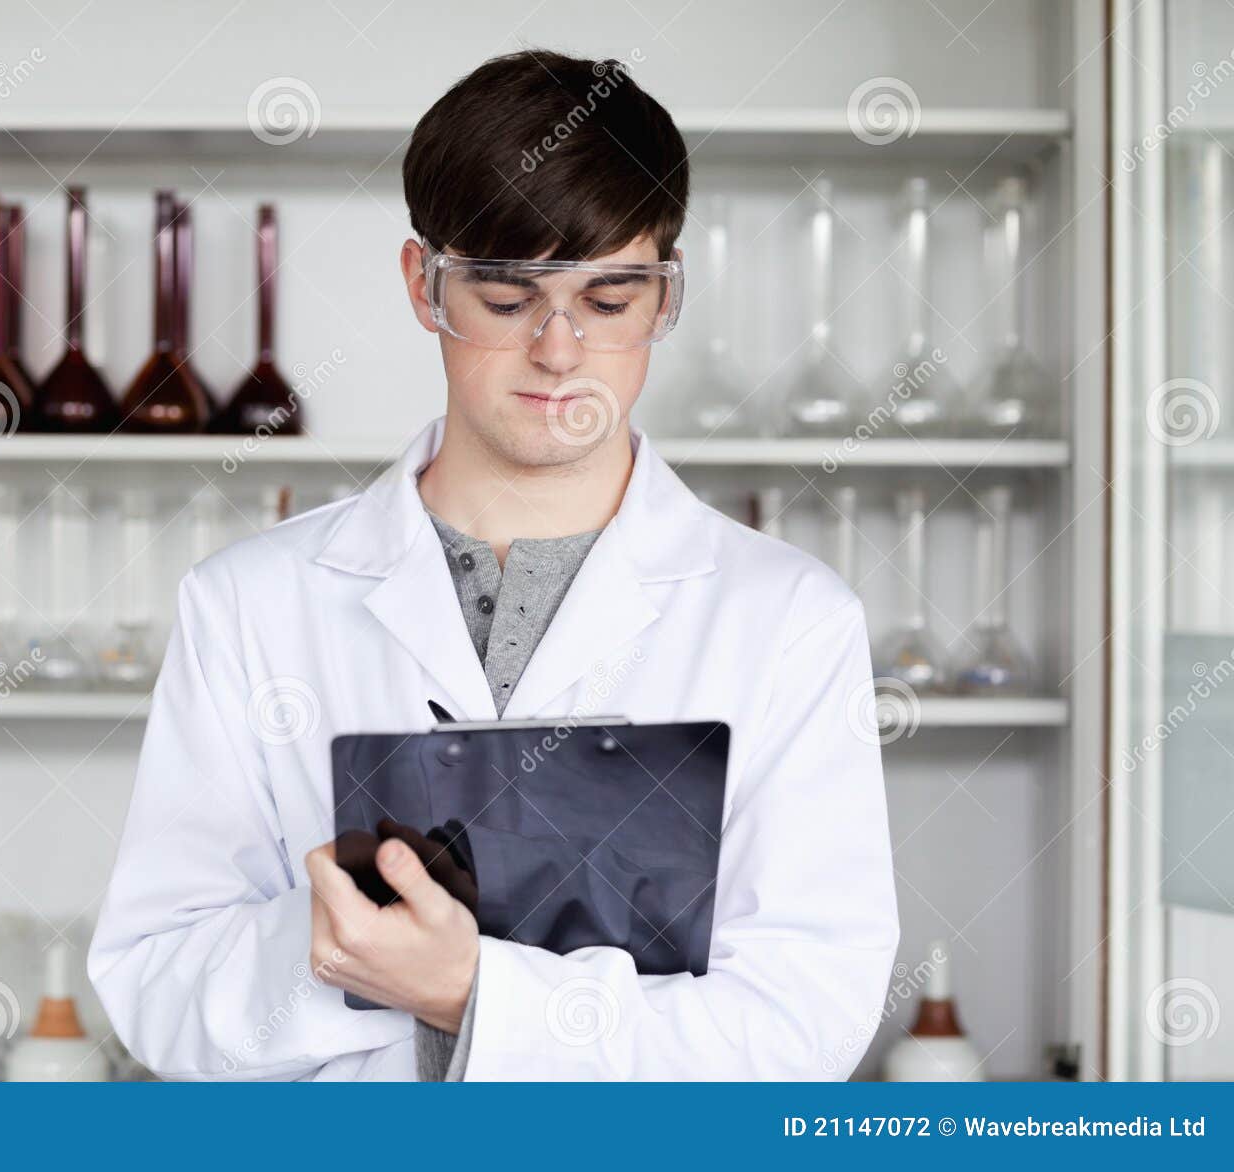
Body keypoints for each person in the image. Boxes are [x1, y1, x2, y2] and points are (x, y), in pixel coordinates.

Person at [88, 49, 899, 1081]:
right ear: (424, 285)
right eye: (507, 298)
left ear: (666, 298)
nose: (559, 351)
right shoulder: (249, 602)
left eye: (608, 299)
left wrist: (471, 989)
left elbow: (802, 1023)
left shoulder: (787, 618)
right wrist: (348, 937)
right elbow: (156, 982)